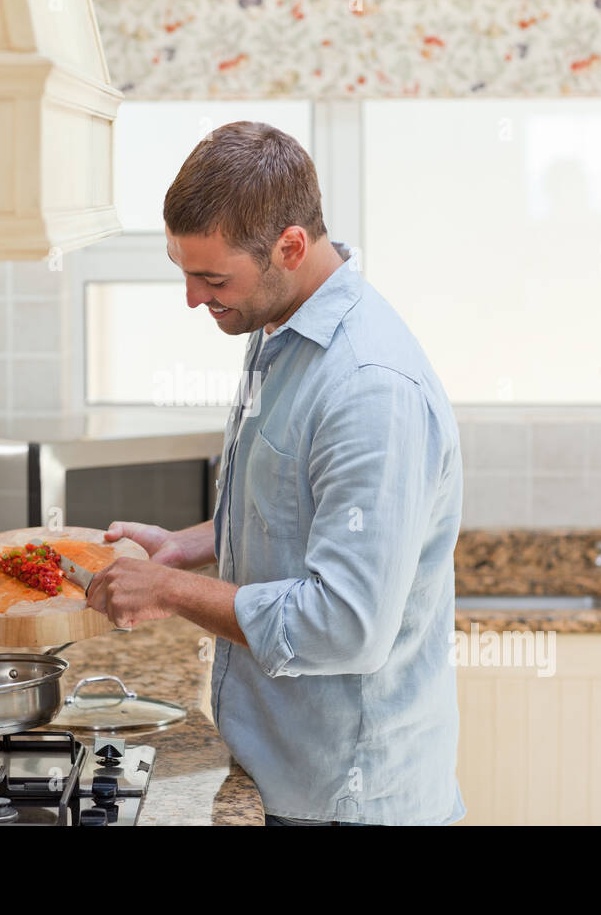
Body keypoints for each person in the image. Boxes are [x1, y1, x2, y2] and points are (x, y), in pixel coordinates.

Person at [86, 121, 465, 826]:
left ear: (290, 246)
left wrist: (169, 590)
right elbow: (293, 504)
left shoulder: (368, 388)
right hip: (286, 770)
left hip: (346, 799)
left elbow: (345, 625)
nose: (194, 299)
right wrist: (190, 545)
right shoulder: (281, 331)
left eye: (212, 277)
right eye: (185, 272)